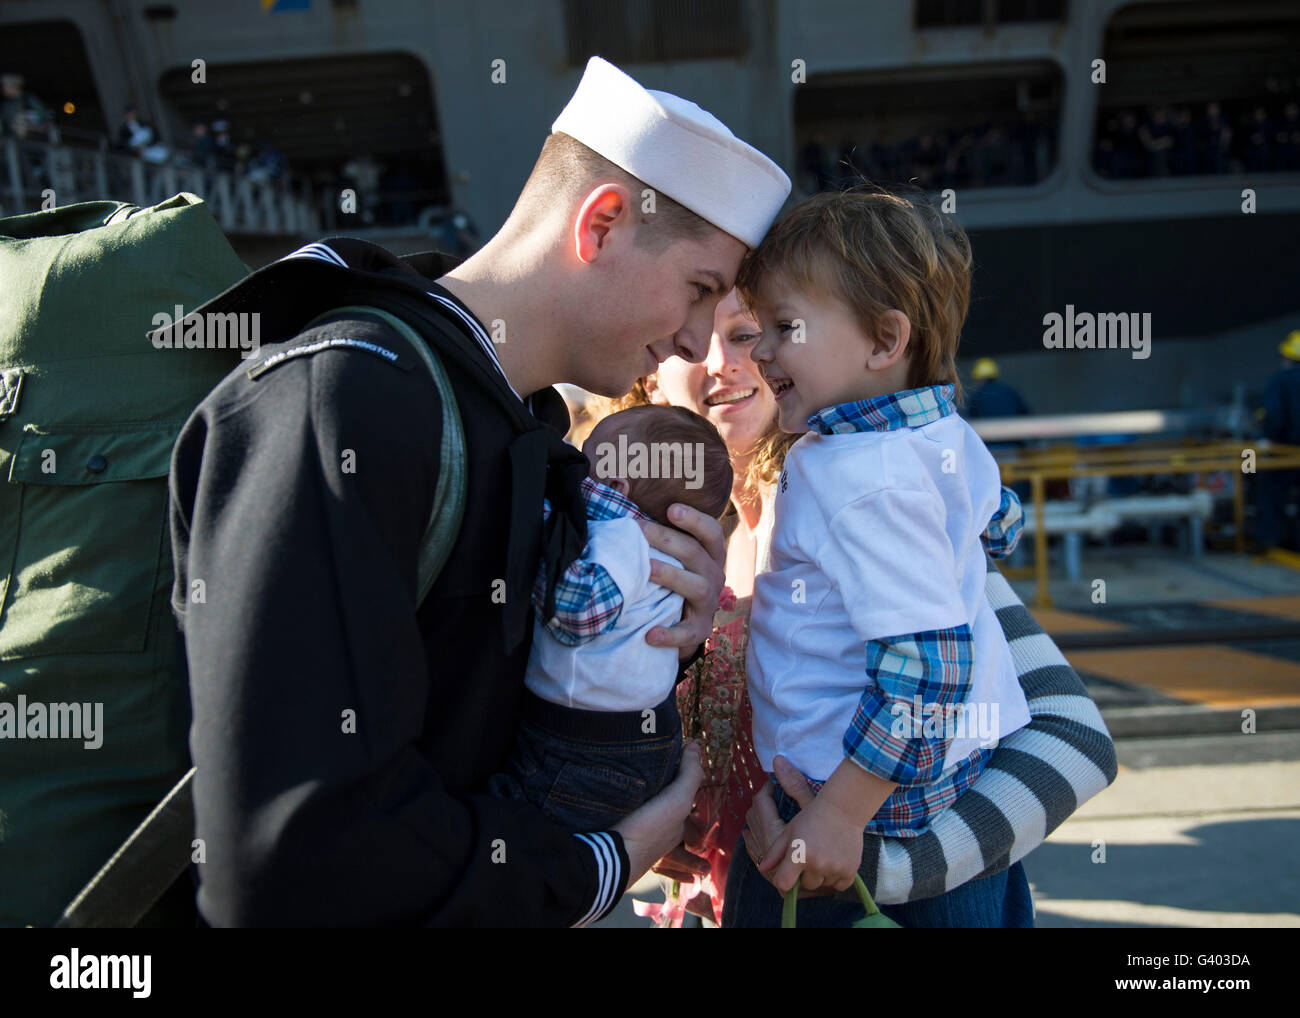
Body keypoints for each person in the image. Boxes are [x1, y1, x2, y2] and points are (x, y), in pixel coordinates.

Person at [167, 55, 790, 926]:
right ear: (603, 222)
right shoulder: (347, 396)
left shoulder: (513, 424)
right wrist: (594, 866)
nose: (696, 342)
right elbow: (292, 853)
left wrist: (648, 642)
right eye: (699, 290)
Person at [607, 286, 1116, 927]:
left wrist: (873, 867)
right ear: (652, 372)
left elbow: (1076, 741)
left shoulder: (880, 508)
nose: (723, 363)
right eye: (690, 337)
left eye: (744, 333)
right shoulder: (662, 547)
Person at [720, 185, 1034, 927]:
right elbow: (999, 519)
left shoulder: (858, 476)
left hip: (856, 814)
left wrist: (838, 815)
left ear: (885, 341)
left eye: (783, 327)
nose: (762, 350)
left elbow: (928, 666)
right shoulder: (940, 431)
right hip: (955, 801)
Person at [490, 405, 732, 832]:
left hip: (582, 749)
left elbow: (576, 613)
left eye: (584, 459)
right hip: (634, 744)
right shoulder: (661, 555)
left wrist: (533, 517)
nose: (573, 465)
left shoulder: (621, 539)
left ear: (613, 484)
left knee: (510, 826)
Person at [1257, 330, 1300, 551]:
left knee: (1270, 492)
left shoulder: (1281, 380)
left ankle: (1270, 540)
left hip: (1285, 451)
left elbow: (1274, 415)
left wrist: (1267, 438)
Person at [965, 357, 1030, 419]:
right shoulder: (1009, 391)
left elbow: (972, 421)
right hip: (1014, 429)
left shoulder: (977, 396)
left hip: (989, 430)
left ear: (979, 378)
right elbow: (1026, 413)